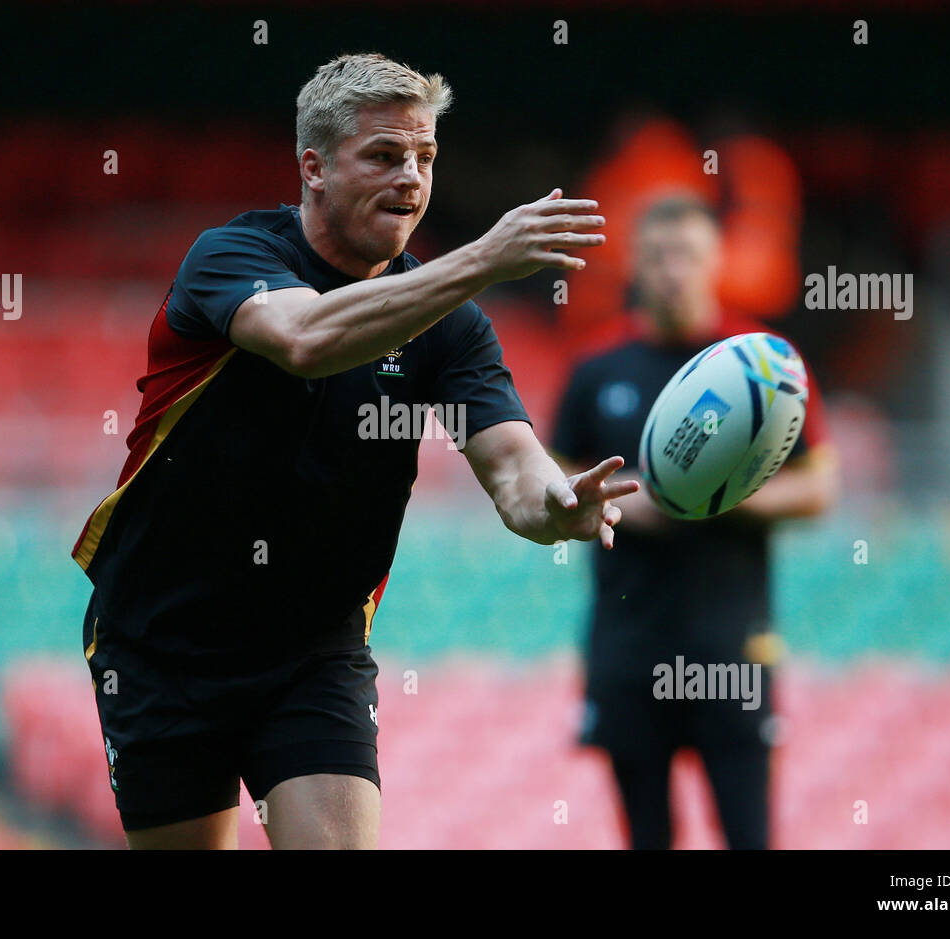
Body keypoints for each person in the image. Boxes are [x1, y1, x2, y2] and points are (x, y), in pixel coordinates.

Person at [72, 52, 637, 849]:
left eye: (426, 157)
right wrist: (483, 260)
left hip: (313, 650)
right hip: (160, 642)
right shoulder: (230, 257)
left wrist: (557, 504)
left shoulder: (453, 325)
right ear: (314, 166)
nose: (411, 177)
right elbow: (306, 339)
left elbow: (515, 471)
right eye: (384, 156)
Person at [551, 194, 839, 849]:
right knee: (646, 837)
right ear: (634, 266)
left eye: (686, 255)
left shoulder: (766, 368)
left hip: (731, 645)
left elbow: (821, 486)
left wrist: (714, 496)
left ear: (714, 262)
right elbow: (556, 479)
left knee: (749, 835)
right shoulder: (596, 368)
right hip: (628, 641)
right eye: (656, 257)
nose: (671, 271)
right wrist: (628, 504)